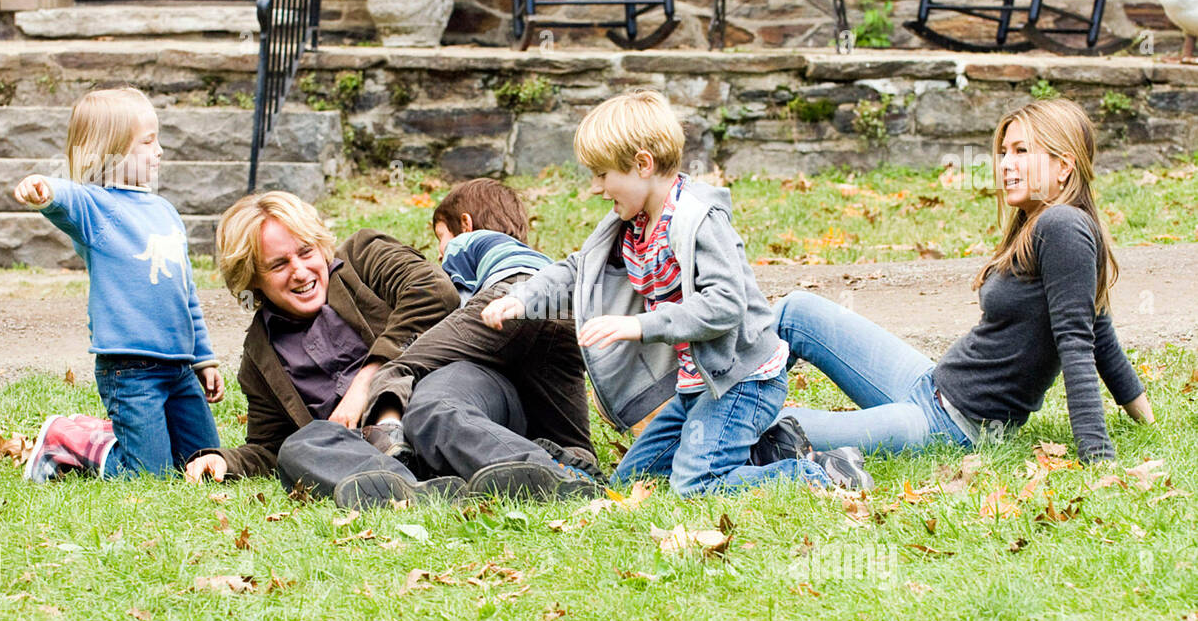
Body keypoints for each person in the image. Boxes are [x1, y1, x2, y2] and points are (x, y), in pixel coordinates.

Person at [482, 90, 849, 496]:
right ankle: (770, 450)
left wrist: (638, 325)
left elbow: (725, 304)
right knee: (633, 481)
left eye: (602, 175)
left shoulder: (698, 220)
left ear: (642, 164)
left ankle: (821, 473)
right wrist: (523, 297)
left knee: (695, 486)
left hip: (741, 381)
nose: (597, 188)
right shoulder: (633, 224)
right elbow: (577, 269)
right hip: (696, 385)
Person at [757, 98, 1153, 464]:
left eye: (1021, 151)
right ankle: (705, 402)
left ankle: (712, 424)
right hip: (929, 382)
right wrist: (1147, 420)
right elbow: (1101, 327)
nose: (1005, 164)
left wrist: (1098, 456)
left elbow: (1080, 340)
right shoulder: (1042, 223)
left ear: (1064, 165)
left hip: (950, 426)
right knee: (797, 310)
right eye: (1003, 153)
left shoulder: (1062, 225)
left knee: (772, 429)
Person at [182, 191, 466, 509]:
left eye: (306, 252)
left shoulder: (364, 256)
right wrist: (224, 460)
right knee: (298, 449)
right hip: (363, 454)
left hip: (430, 408)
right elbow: (270, 447)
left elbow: (436, 293)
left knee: (445, 399)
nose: (301, 272)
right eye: (279, 265)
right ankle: (407, 488)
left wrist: (366, 381)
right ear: (253, 279)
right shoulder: (260, 356)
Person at [14, 87, 224, 483]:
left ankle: (132, 435)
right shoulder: (97, 210)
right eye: (147, 141)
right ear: (108, 150)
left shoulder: (165, 212)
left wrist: (204, 358)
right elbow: (66, 199)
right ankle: (69, 438)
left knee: (204, 460)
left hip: (178, 367)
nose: (159, 149)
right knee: (150, 477)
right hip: (130, 371)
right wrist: (42, 188)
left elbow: (185, 293)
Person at [359, 179, 603, 501]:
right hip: (564, 312)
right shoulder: (536, 256)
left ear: (464, 223)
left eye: (440, 238)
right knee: (564, 431)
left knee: (404, 364)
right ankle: (578, 465)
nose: (440, 249)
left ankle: (388, 434)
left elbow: (450, 297)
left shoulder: (469, 243)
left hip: (506, 299)